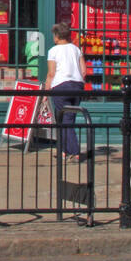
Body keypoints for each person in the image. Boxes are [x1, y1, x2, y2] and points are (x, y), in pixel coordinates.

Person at [46, 22, 88, 160]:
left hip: (61, 86)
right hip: (77, 86)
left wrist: (46, 91)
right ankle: (63, 150)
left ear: (57, 36)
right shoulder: (76, 49)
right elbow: (83, 71)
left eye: (54, 35)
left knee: (62, 119)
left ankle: (74, 151)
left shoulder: (53, 51)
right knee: (69, 119)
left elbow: (51, 73)